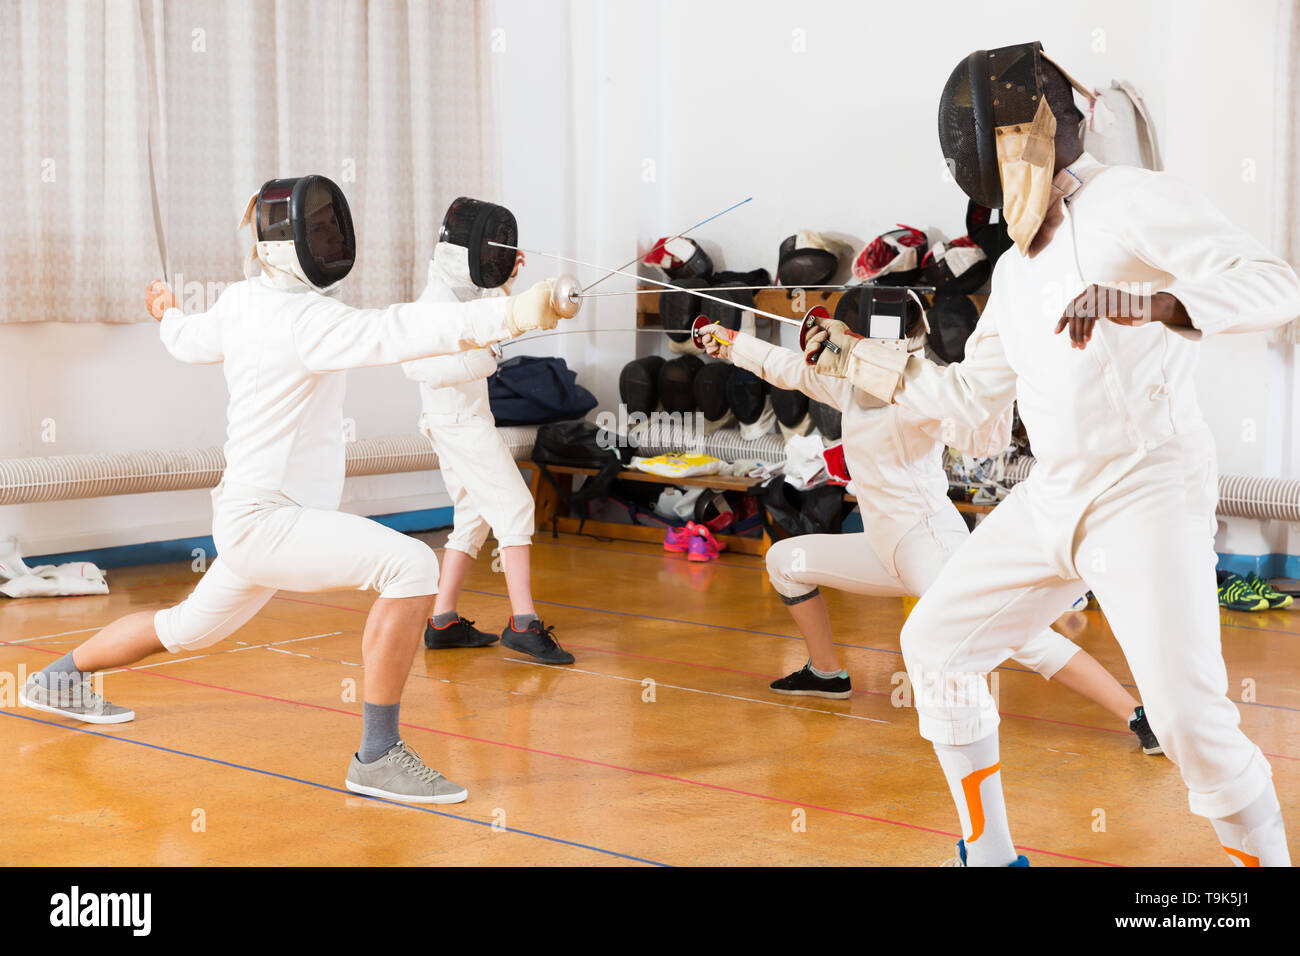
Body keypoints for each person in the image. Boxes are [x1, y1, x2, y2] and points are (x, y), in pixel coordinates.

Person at [804, 43, 1299, 866]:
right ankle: (991, 856)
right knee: (936, 648)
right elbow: (966, 402)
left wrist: (1165, 300)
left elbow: (1277, 281)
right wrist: (858, 361)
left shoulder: (1134, 199)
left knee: (1187, 721)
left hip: (1145, 488)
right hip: (1051, 498)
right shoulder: (1016, 269)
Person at [19, 176, 574, 805]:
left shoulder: (238, 302)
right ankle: (378, 755)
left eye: (333, 228)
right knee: (411, 564)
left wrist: (166, 311)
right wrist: (514, 310)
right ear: (293, 244)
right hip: (268, 523)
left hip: (255, 519)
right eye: (322, 230)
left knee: (185, 629)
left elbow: (186, 341)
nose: (332, 238)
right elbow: (402, 330)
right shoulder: (309, 320)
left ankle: (56, 679)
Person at [700, 322, 1160, 753]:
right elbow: (781, 366)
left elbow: (981, 435)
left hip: (930, 546)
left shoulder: (922, 394)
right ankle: (826, 672)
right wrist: (727, 341)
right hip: (882, 548)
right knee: (785, 561)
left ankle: (1140, 716)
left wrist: (996, 388)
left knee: (1020, 635)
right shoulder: (845, 385)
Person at [403, 241, 573, 665]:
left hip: (462, 420)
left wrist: (506, 283)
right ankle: (523, 624)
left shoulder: (457, 294)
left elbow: (484, 316)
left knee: (472, 517)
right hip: (458, 423)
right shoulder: (432, 304)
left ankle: (441, 622)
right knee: (516, 508)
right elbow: (418, 366)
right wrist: (486, 358)